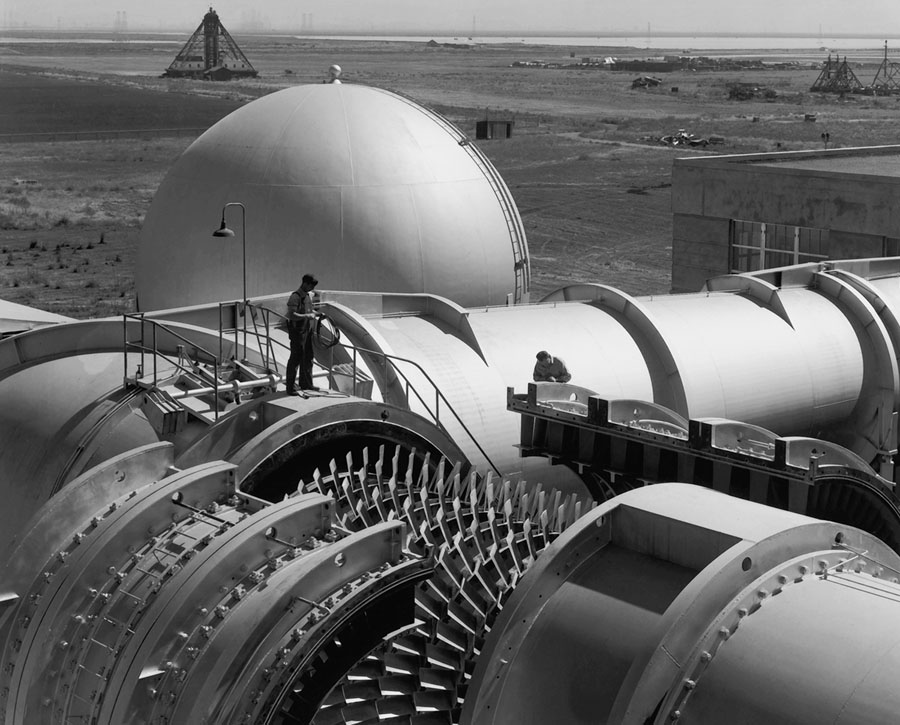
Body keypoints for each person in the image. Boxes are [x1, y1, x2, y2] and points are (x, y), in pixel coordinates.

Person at [285, 273, 320, 394]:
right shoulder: (295, 297)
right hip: (298, 332)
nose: (312, 289)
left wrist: (316, 313)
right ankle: (290, 388)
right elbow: (291, 315)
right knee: (295, 359)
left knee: (308, 357)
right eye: (311, 285)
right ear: (305, 283)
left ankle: (306, 384)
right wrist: (306, 316)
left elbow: (309, 310)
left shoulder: (307, 296)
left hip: (307, 331)